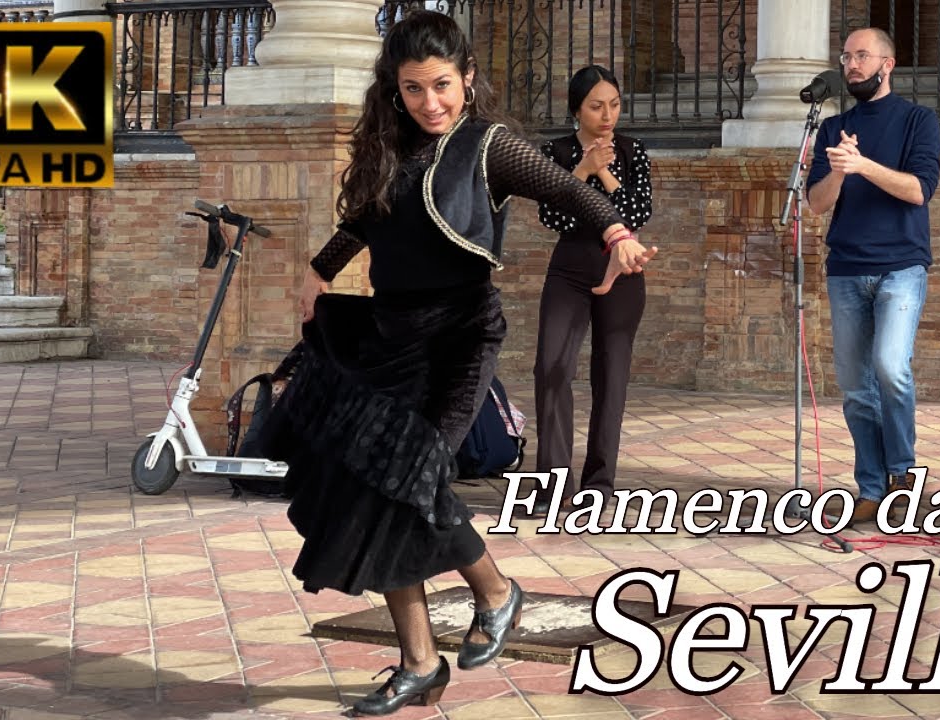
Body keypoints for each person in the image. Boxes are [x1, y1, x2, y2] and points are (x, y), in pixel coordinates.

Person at [278, 11, 658, 716]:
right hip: (391, 337)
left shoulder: (488, 145)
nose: (430, 102)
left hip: (457, 339)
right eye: (414, 88)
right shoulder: (391, 148)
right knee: (380, 485)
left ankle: (493, 593)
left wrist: (613, 231)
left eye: (443, 86)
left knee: (410, 478)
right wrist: (319, 271)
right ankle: (421, 662)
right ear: (394, 90)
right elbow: (364, 218)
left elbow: (566, 188)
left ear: (467, 80)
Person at [805, 27, 940, 525]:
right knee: (855, 386)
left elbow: (917, 190)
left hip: (901, 266)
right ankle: (869, 484)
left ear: (888, 63)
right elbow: (816, 205)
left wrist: (864, 165)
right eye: (847, 56)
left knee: (891, 368)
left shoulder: (917, 121)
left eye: (862, 56)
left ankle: (902, 472)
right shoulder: (831, 128)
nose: (852, 65)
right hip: (845, 268)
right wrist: (840, 172)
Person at [529, 65, 652, 515]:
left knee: (611, 378)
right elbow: (554, 218)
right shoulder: (556, 152)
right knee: (552, 368)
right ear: (576, 109)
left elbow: (637, 213)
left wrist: (607, 174)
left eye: (614, 105)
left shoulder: (633, 150)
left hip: (623, 268)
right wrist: (581, 169)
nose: (607, 115)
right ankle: (551, 485)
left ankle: (599, 485)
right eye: (596, 106)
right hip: (570, 270)